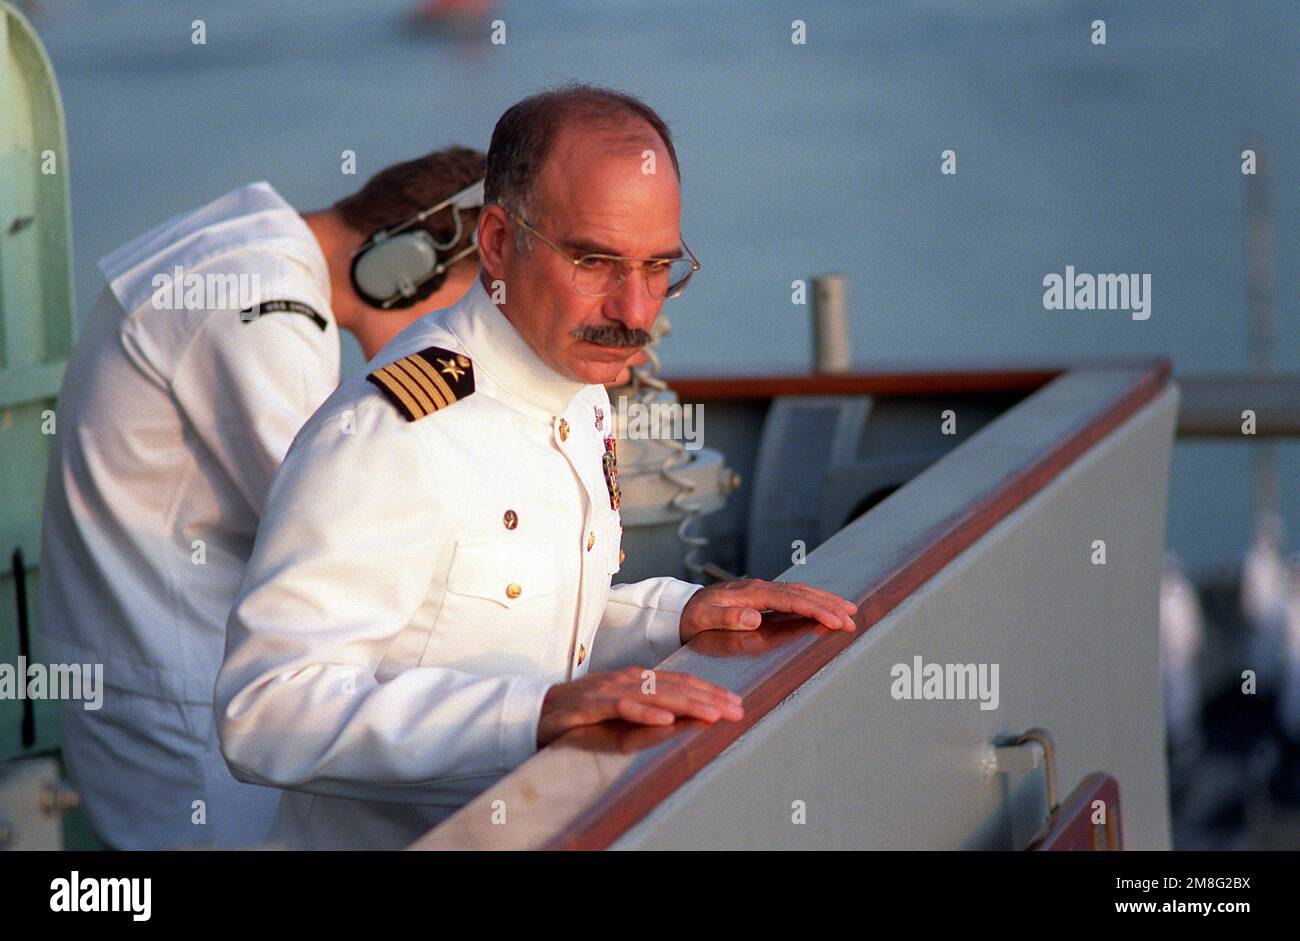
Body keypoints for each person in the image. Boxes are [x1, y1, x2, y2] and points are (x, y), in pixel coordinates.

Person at [215, 85, 859, 850]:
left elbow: (522, 618)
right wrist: (532, 714)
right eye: (595, 261)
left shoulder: (575, 381)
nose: (636, 312)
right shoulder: (394, 431)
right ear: (495, 242)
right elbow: (265, 711)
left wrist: (677, 616)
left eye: (659, 267)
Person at [37, 146, 487, 849]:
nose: (455, 349)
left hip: (169, 668)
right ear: (402, 267)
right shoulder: (262, 307)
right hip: (182, 702)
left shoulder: (249, 252)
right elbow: (331, 523)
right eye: (459, 311)